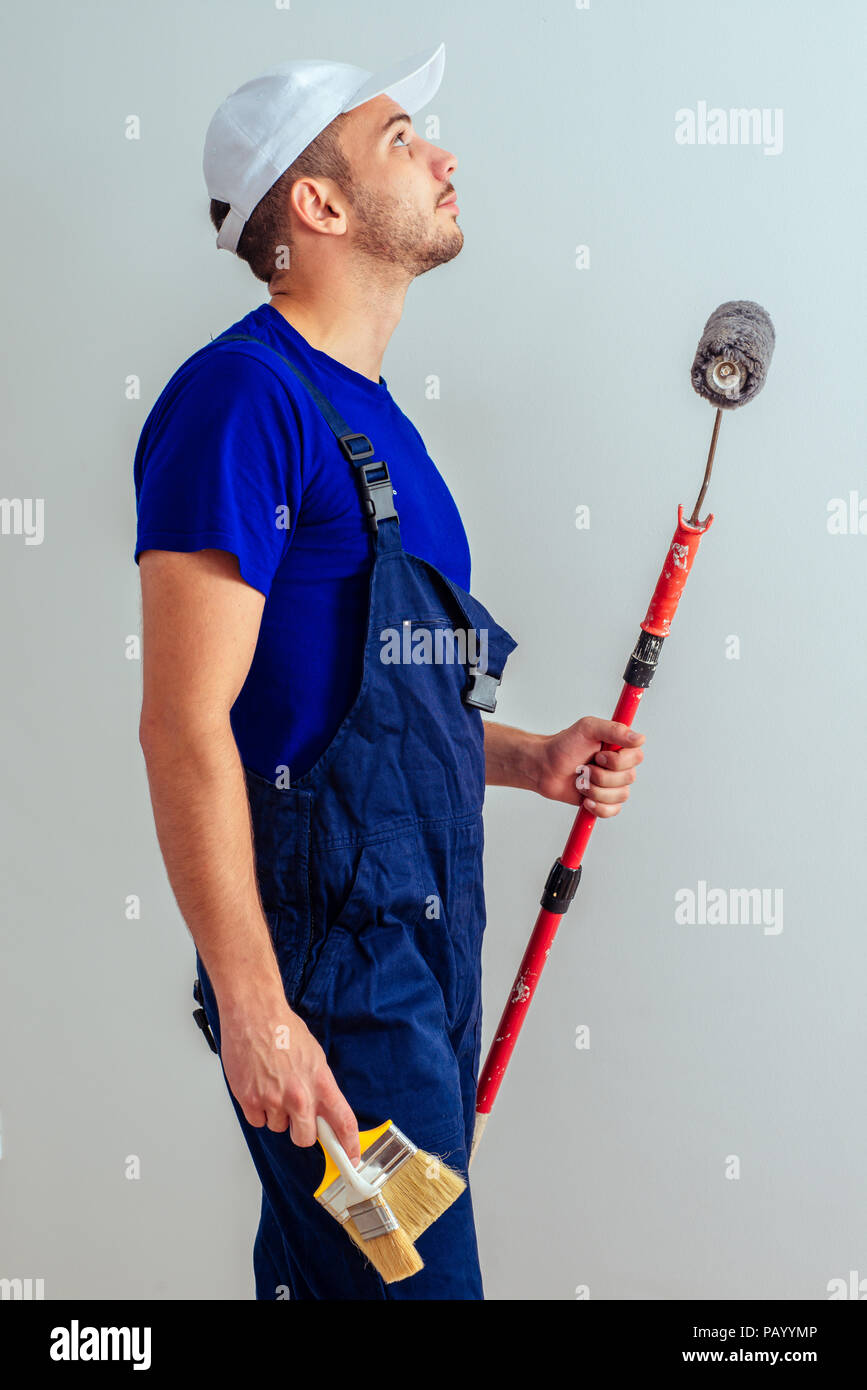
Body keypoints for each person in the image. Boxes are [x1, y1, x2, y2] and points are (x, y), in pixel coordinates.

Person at [133, 41, 646, 1300]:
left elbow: (363, 703)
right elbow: (186, 725)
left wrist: (526, 758)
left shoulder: (383, 424)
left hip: (423, 947)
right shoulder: (242, 402)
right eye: (402, 139)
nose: (444, 153)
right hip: (330, 971)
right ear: (316, 204)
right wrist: (257, 1008)